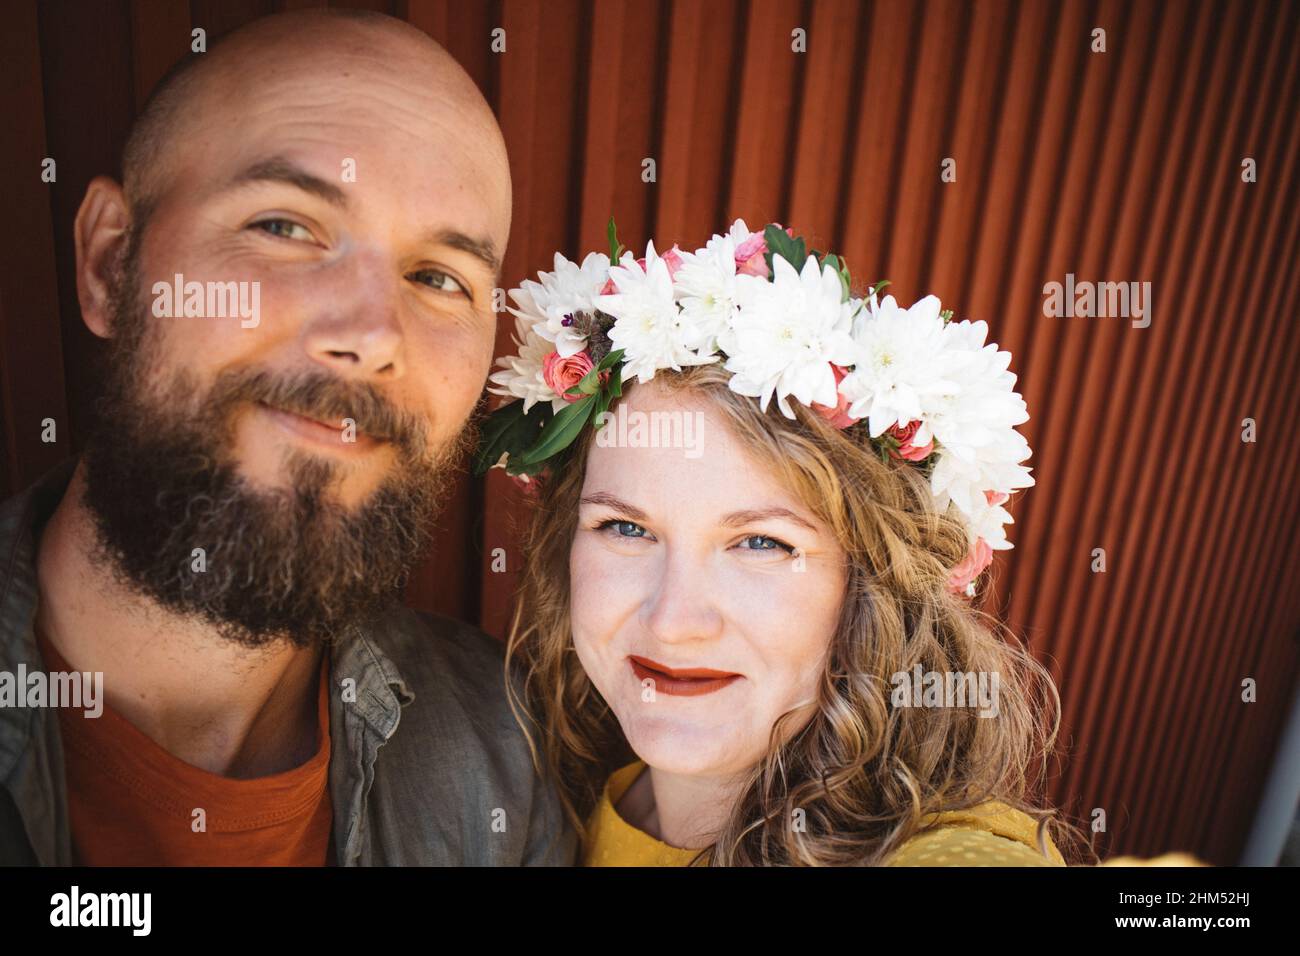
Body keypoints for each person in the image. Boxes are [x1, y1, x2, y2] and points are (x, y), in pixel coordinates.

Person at [0, 9, 574, 866]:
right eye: (285, 226)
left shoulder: (509, 759)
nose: (374, 335)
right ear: (111, 265)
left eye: (438, 278)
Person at [484, 219, 1203, 866]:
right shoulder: (552, 804)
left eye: (761, 543)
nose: (673, 621)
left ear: (869, 584)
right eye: (627, 528)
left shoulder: (946, 852)